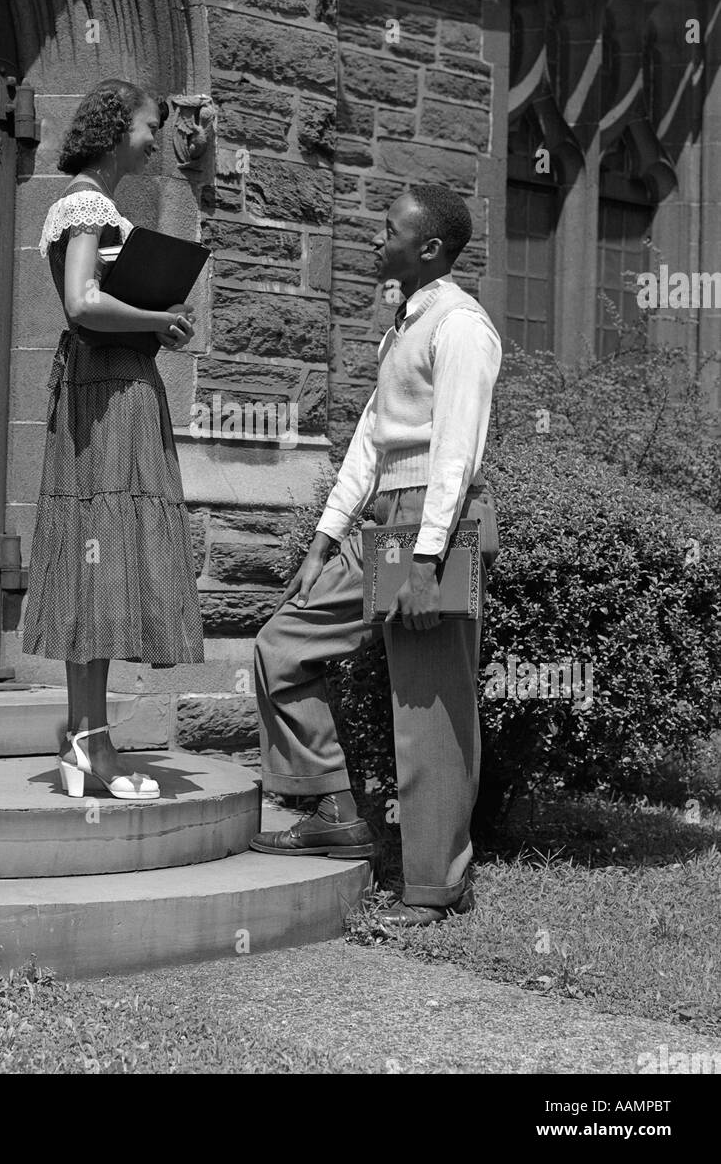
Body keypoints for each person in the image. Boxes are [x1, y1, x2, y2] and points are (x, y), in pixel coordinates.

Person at [249, 184, 502, 928]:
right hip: (383, 522)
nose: (372, 238)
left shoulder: (460, 326)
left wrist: (426, 562)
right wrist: (324, 537)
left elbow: (457, 448)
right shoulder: (406, 319)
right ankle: (331, 807)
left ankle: (433, 886)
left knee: (427, 710)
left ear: (428, 247)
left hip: (433, 523)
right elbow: (370, 437)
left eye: (387, 230)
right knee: (281, 644)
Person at [23, 79, 205, 802]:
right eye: (147, 124)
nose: (154, 137)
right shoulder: (85, 204)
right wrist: (157, 321)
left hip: (105, 385)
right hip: (107, 392)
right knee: (96, 557)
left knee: (93, 562)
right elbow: (81, 302)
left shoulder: (93, 204)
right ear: (111, 127)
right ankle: (87, 749)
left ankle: (85, 746)